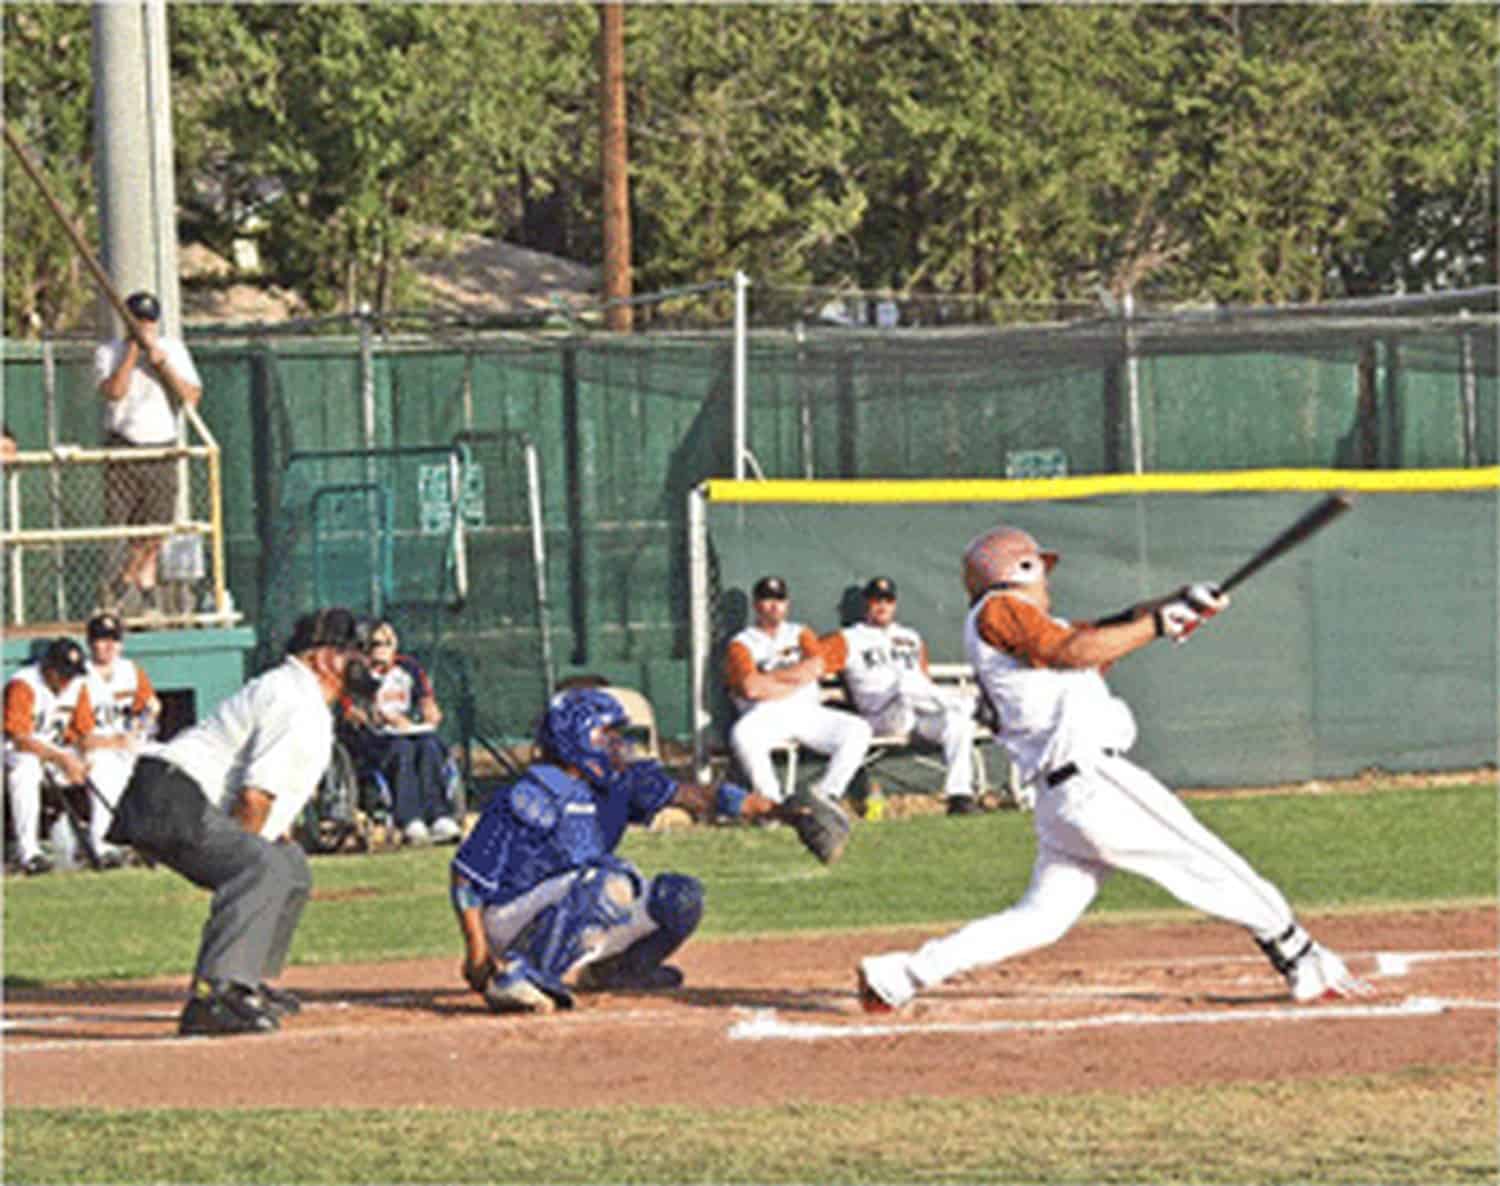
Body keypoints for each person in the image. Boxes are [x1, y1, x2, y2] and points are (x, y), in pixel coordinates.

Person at [857, 526, 1369, 1011]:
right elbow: (1076, 650)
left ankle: (902, 975)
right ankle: (1301, 957)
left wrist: (1178, 603)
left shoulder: (1026, 631)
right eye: (1040, 572)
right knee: (1204, 858)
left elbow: (1104, 635)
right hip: (1092, 782)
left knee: (1040, 918)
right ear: (1016, 571)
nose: (1047, 583)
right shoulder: (1000, 609)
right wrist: (1158, 624)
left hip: (1063, 798)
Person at [104, 607, 380, 1036]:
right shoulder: (296, 700)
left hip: (175, 795)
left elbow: (271, 803)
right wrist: (246, 857)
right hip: (169, 795)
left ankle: (246, 980)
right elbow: (255, 796)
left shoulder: (300, 694)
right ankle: (214, 996)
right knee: (261, 865)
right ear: (323, 658)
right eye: (352, 652)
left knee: (290, 866)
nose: (364, 660)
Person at [450, 686, 807, 1014]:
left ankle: (618, 971)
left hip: (582, 896)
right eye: (606, 734)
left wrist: (780, 811)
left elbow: (699, 797)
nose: (618, 744)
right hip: (512, 916)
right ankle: (521, 977)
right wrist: (477, 952)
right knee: (610, 883)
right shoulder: (532, 793)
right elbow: (467, 875)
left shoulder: (619, 783)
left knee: (679, 898)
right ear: (576, 738)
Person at [822, 575, 982, 815]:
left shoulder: (911, 637)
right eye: (876, 600)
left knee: (957, 723)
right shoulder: (848, 638)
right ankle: (971, 706)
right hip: (879, 716)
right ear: (866, 603)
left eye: (887, 600)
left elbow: (925, 682)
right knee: (905, 683)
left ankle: (960, 796)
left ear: (895, 604)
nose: (882, 605)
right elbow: (813, 666)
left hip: (915, 714)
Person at [93, 290, 203, 615]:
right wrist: (131, 355)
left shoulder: (173, 349)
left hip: (162, 445)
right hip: (124, 445)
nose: (144, 326)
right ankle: (140, 587)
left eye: (149, 320)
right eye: (137, 320)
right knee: (126, 526)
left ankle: (129, 581)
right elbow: (114, 392)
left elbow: (191, 397)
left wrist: (162, 364)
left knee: (158, 526)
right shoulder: (108, 352)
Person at [723, 574, 871, 805]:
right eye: (767, 599)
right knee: (742, 735)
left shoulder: (800, 633)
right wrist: (796, 678)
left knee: (858, 730)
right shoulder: (742, 643)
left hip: (807, 711)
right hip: (765, 714)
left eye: (779, 599)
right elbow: (751, 688)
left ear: (787, 604)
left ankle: (826, 795)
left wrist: (769, 679)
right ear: (756, 605)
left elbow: (817, 667)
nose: (774, 606)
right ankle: (772, 804)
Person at [338, 620, 461, 846]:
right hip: (373, 739)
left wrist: (429, 711)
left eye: (389, 643)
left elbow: (427, 701)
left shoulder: (409, 668)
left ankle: (439, 816)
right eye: (378, 643)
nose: (384, 648)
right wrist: (378, 715)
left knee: (430, 745)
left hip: (408, 730)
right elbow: (352, 711)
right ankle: (410, 819)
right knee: (402, 750)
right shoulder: (356, 672)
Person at [3, 639, 93, 876]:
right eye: (63, 673)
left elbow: (82, 732)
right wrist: (62, 759)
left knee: (103, 761)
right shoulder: (24, 684)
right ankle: (29, 853)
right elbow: (19, 739)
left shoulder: (77, 686)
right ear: (48, 668)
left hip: (55, 753)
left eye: (71, 674)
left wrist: (84, 759)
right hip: (16, 753)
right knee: (26, 769)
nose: (67, 680)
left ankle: (102, 843)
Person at [80, 611, 161, 869]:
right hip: (94, 747)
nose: (108, 646)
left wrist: (141, 725)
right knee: (106, 774)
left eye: (113, 639)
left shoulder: (130, 670)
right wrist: (116, 742)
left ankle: (155, 842)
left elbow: (152, 705)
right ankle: (103, 847)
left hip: (127, 742)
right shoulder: (79, 675)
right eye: (101, 639)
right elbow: (78, 734)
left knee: (164, 763)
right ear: (90, 643)